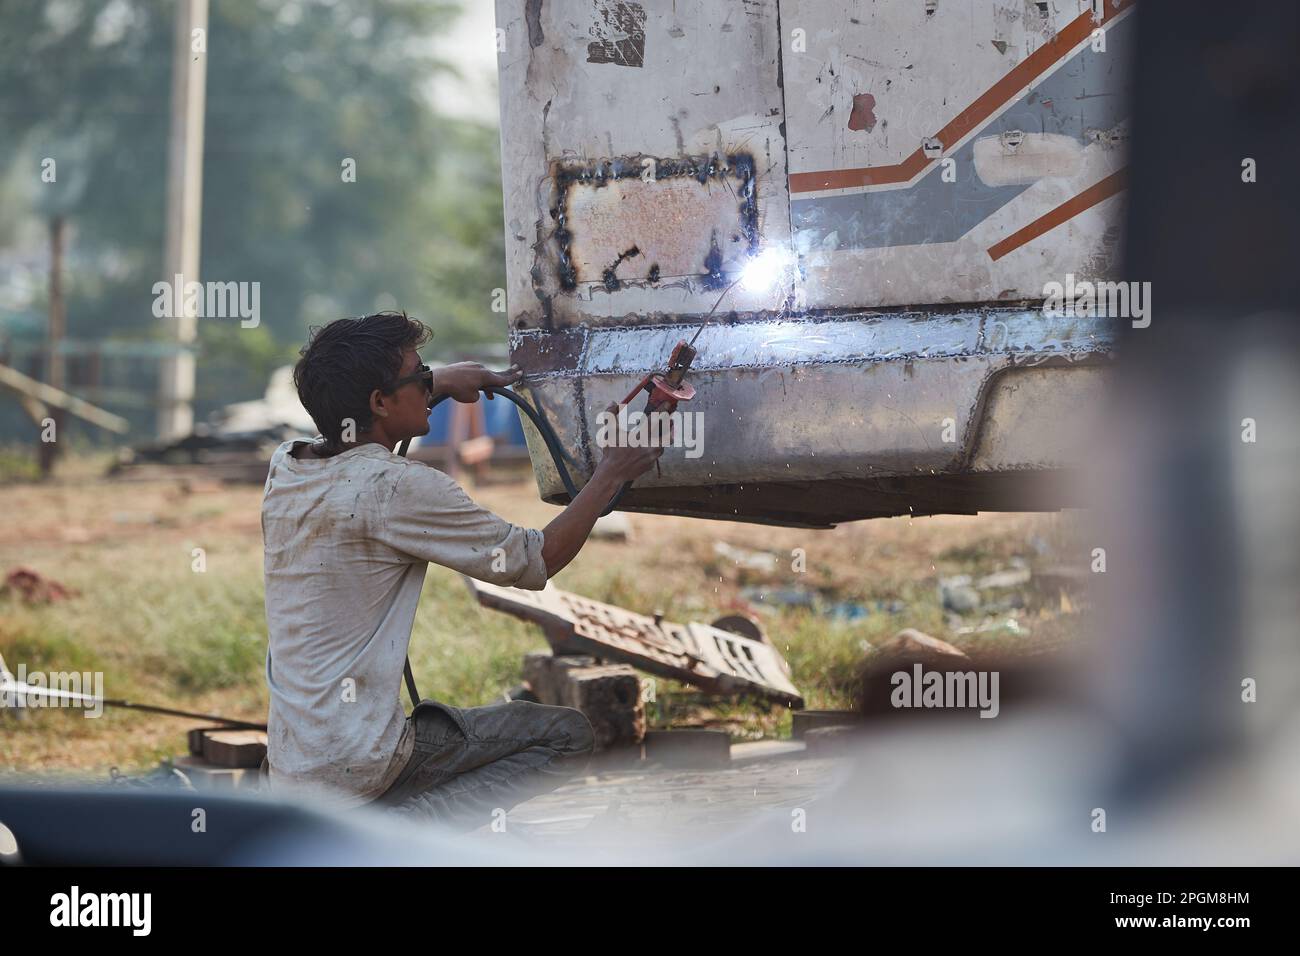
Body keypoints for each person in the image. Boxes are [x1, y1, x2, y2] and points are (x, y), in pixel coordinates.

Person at [259, 311, 663, 830]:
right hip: (363, 763)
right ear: (380, 402)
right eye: (419, 375)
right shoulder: (397, 488)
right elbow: (536, 558)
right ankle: (395, 839)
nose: (429, 382)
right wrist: (611, 473)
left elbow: (371, 424)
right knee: (565, 736)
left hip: (296, 765)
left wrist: (441, 381)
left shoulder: (286, 467)